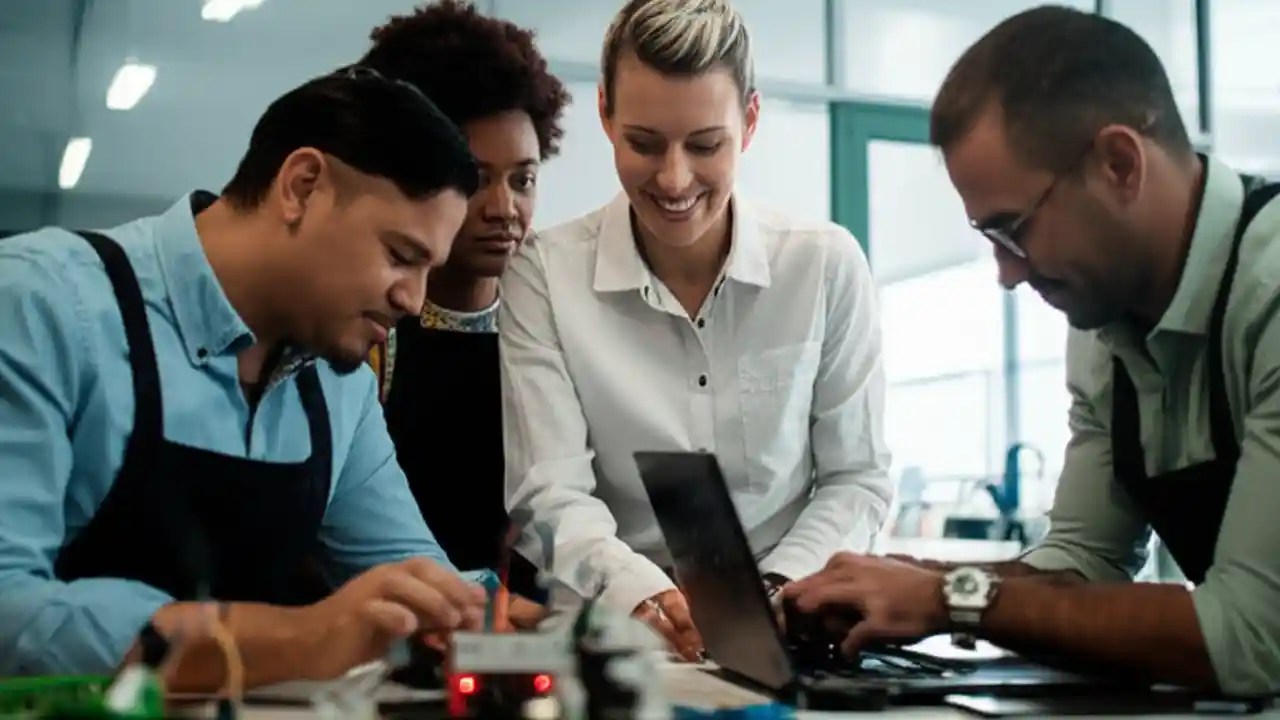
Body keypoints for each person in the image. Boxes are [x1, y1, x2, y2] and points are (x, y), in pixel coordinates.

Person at [783, 6, 1280, 697]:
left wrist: (952, 598)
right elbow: (1083, 561)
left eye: (1012, 231)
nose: (1007, 273)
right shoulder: (1105, 321)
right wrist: (918, 581)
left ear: (1120, 164)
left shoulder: (1272, 289)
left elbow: (1254, 636)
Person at [0, 67, 489, 690]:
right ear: (302, 186)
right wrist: (304, 637)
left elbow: (415, 581)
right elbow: (8, 613)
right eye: (400, 255)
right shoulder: (41, 304)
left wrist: (525, 613)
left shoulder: (340, 384)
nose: (414, 300)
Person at [500, 0, 892, 660]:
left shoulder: (823, 265)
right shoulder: (544, 274)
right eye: (644, 144)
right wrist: (642, 595)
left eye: (706, 145)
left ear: (752, 120)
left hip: (794, 630)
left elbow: (858, 477)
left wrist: (776, 591)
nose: (675, 179)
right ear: (605, 115)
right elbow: (550, 490)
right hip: (615, 638)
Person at [359, 0, 571, 615]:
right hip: (391, 631)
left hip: (536, 640)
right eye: (478, 179)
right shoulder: (365, 334)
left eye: (523, 179)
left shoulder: (556, 326)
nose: (505, 208)